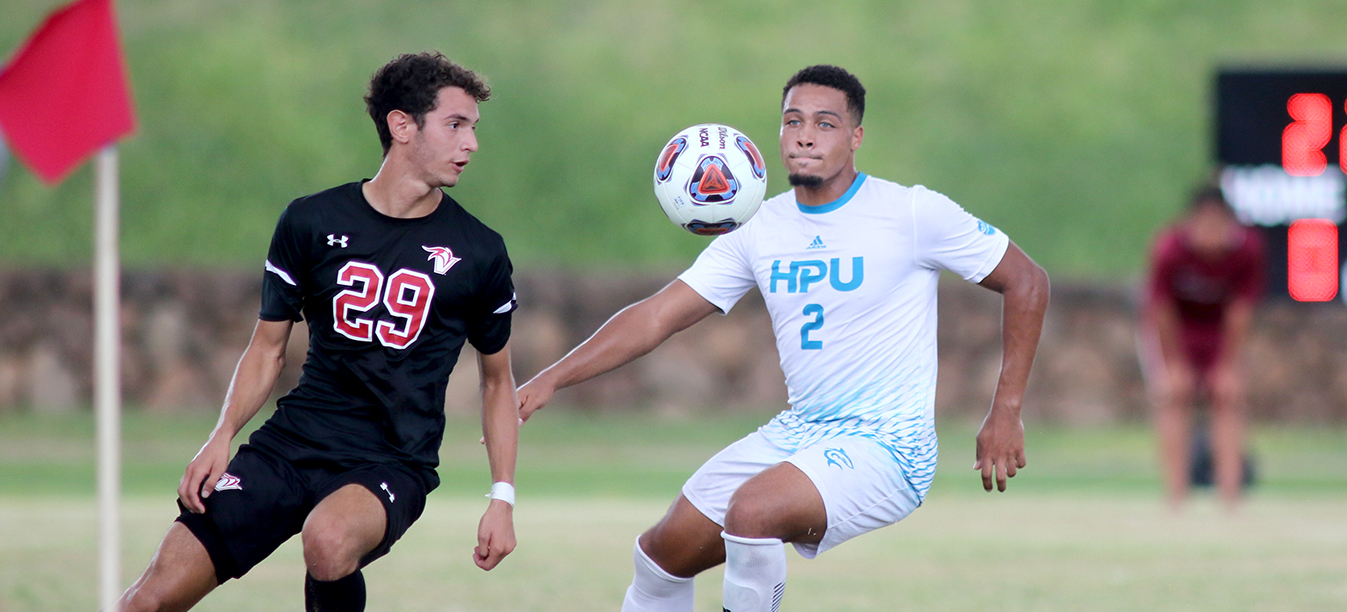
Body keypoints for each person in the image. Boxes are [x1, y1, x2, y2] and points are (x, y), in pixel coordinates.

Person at [516, 65, 1049, 612]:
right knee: (659, 556)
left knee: (753, 512)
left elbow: (1027, 281)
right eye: (793, 121)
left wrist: (1005, 410)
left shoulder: (911, 212)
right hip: (801, 432)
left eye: (825, 123)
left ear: (855, 137)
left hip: (889, 446)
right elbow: (655, 317)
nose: (805, 134)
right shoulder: (758, 227)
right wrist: (553, 377)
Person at [116, 52, 521, 612]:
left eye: (472, 129)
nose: (471, 143)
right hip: (293, 442)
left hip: (391, 460)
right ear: (402, 126)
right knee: (146, 601)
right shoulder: (311, 222)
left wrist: (502, 496)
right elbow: (267, 347)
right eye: (456, 125)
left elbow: (498, 381)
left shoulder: (480, 251)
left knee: (328, 540)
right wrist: (221, 435)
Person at [1140, 185, 1265, 513]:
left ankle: (1230, 495)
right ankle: (1176, 494)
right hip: (1177, 332)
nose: (1211, 234)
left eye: (1218, 225)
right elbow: (1161, 311)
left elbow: (1241, 313)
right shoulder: (1169, 249)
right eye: (1204, 225)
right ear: (1190, 222)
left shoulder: (1247, 250)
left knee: (1227, 397)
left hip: (1220, 334)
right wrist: (1174, 364)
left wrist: (1228, 365)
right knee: (1174, 395)